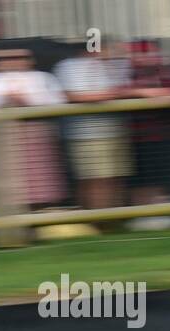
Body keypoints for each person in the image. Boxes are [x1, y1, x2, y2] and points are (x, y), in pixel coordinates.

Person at [0, 48, 67, 209]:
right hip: (1, 134)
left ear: (30, 60)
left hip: (36, 131)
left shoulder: (43, 77)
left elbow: (59, 100)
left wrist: (27, 100)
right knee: (7, 176)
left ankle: (45, 211)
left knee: (42, 176)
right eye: (2, 59)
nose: (11, 62)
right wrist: (3, 100)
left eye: (17, 57)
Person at [53, 42, 132, 212]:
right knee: (95, 179)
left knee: (115, 177)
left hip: (115, 130)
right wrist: (114, 94)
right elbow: (73, 95)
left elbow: (125, 87)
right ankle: (96, 220)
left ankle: (114, 220)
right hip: (85, 134)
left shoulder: (112, 65)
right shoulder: (69, 66)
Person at [123, 39, 170, 208]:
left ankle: (165, 212)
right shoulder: (125, 72)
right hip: (132, 137)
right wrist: (147, 93)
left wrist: (148, 93)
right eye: (135, 54)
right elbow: (118, 91)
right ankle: (142, 214)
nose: (140, 58)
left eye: (145, 53)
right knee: (139, 179)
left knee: (166, 176)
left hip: (167, 135)